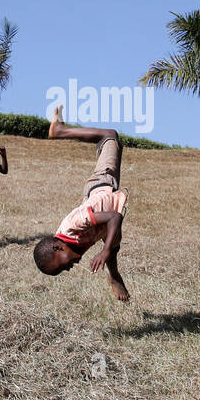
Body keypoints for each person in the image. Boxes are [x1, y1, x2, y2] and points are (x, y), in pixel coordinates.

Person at [32, 107, 130, 302]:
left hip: (102, 183)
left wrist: (105, 251)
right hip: (104, 201)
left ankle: (60, 131)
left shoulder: (72, 226)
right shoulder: (73, 248)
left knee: (109, 135)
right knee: (111, 241)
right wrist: (108, 249)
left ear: (57, 248)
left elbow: (115, 217)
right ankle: (115, 276)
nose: (69, 268)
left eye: (63, 266)